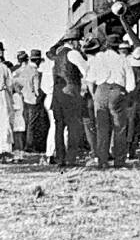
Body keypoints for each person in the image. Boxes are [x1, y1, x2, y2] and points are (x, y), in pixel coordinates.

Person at [85, 34, 135, 169]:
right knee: (119, 127)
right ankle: (119, 160)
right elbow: (131, 84)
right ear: (118, 46)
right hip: (117, 91)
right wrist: (126, 94)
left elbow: (89, 81)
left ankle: (102, 160)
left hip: (100, 91)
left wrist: (95, 95)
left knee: (102, 128)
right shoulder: (123, 60)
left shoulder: (97, 59)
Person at [50, 38, 89, 168]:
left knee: (59, 126)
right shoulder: (73, 54)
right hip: (71, 91)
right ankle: (71, 158)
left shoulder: (57, 55)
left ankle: (60, 158)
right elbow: (86, 70)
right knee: (74, 125)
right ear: (74, 41)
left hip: (57, 93)